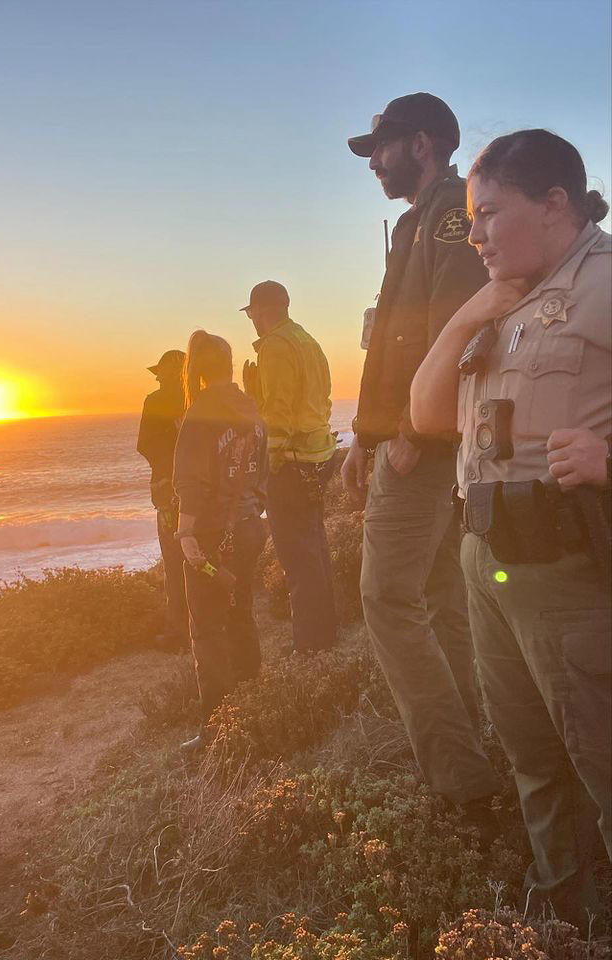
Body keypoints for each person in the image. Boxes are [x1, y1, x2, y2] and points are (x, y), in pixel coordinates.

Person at [410, 128, 611, 932]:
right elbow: (428, 417)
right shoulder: (501, 301)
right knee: (531, 752)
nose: (476, 234)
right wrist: (467, 315)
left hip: (566, 566)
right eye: (471, 219)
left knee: (601, 755)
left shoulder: (604, 283)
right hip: (488, 560)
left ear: (555, 203)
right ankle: (568, 910)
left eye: (490, 213)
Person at [342, 93, 500, 813]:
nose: (373, 162)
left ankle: (458, 778)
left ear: (423, 144)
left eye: (382, 147)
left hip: (423, 444)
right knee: (439, 596)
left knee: (387, 599)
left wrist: (412, 433)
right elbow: (393, 340)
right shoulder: (418, 221)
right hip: (408, 438)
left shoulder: (449, 217)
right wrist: (364, 435)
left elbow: (456, 334)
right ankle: (471, 750)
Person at [173, 331, 268, 751]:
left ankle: (218, 729)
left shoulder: (201, 414)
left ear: (196, 368)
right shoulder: (252, 409)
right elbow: (263, 469)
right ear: (229, 364)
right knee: (241, 615)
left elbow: (191, 483)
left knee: (207, 630)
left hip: (213, 536)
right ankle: (257, 707)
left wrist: (185, 533)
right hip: (249, 527)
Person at [241, 280, 338, 653]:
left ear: (260, 311)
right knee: (314, 546)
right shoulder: (307, 341)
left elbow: (278, 415)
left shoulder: (275, 346)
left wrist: (265, 466)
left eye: (251, 313)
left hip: (292, 462)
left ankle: (310, 645)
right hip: (318, 456)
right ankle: (325, 633)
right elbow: (322, 399)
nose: (252, 321)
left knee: (296, 556)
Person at [137, 349, 188, 651]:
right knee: (200, 556)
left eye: (160, 374)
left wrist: (165, 472)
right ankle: (206, 622)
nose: (157, 379)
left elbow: (144, 444)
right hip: (199, 489)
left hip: (168, 492)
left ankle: (178, 632)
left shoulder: (155, 401)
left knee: (173, 559)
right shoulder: (198, 399)